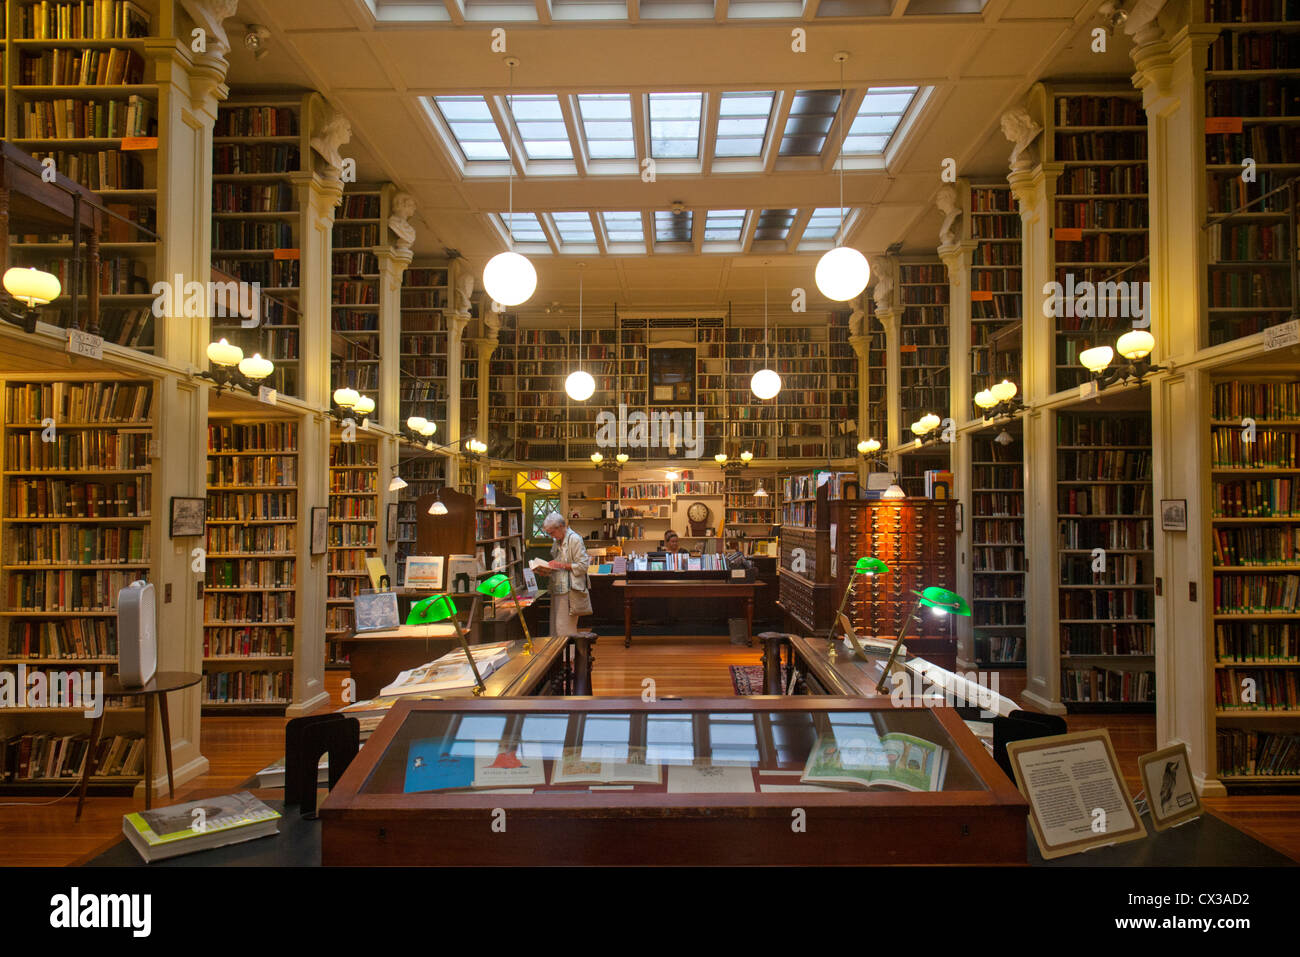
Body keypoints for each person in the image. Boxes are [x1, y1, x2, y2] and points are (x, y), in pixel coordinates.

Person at [533, 511, 590, 637]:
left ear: (560, 527)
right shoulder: (557, 541)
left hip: (570, 591)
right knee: (556, 626)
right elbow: (557, 565)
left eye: (552, 532)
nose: (552, 536)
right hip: (558, 588)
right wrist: (546, 570)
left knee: (565, 628)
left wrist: (561, 565)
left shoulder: (574, 539)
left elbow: (583, 566)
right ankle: (559, 655)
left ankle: (568, 656)